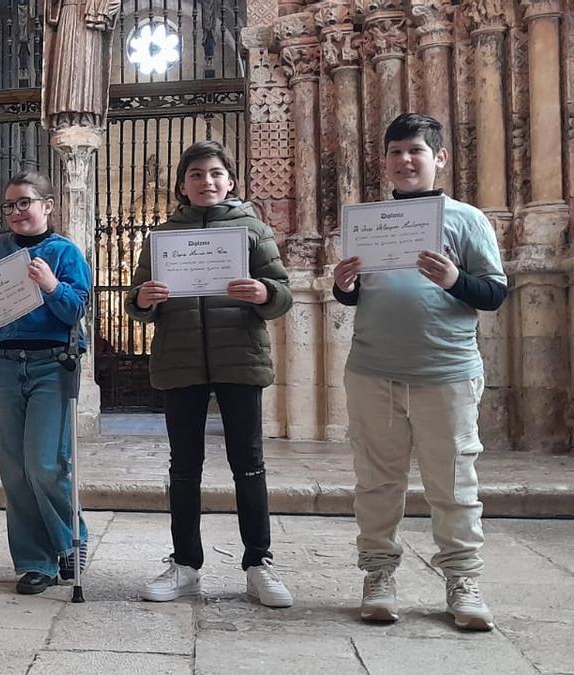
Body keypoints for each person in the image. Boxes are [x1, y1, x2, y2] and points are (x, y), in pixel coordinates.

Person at [333, 113, 507, 631]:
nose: (405, 161)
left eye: (416, 151)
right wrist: (345, 285)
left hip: (446, 371)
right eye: (395, 152)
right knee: (377, 483)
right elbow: (362, 293)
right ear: (384, 161)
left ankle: (462, 580)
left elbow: (494, 292)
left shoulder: (467, 219)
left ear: (439, 160)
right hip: (373, 370)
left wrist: (456, 279)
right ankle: (378, 574)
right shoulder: (370, 221)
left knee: (453, 483)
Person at [125, 140, 294, 608]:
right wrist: (143, 299)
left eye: (216, 173)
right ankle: (185, 566)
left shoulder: (254, 231)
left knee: (249, 463)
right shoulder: (161, 237)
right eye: (196, 175)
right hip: (180, 361)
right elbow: (137, 299)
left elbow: (283, 292)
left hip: (239, 357)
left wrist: (263, 292)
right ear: (182, 185)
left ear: (231, 180)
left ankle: (259, 563)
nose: (207, 182)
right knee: (184, 467)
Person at [0, 171, 91, 595]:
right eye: (9, 205)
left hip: (52, 364)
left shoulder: (65, 251)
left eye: (24, 202)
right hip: (8, 366)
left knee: (45, 465)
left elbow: (76, 309)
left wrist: (51, 286)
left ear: (48, 206)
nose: (16, 212)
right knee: (14, 471)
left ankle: (71, 538)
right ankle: (35, 563)